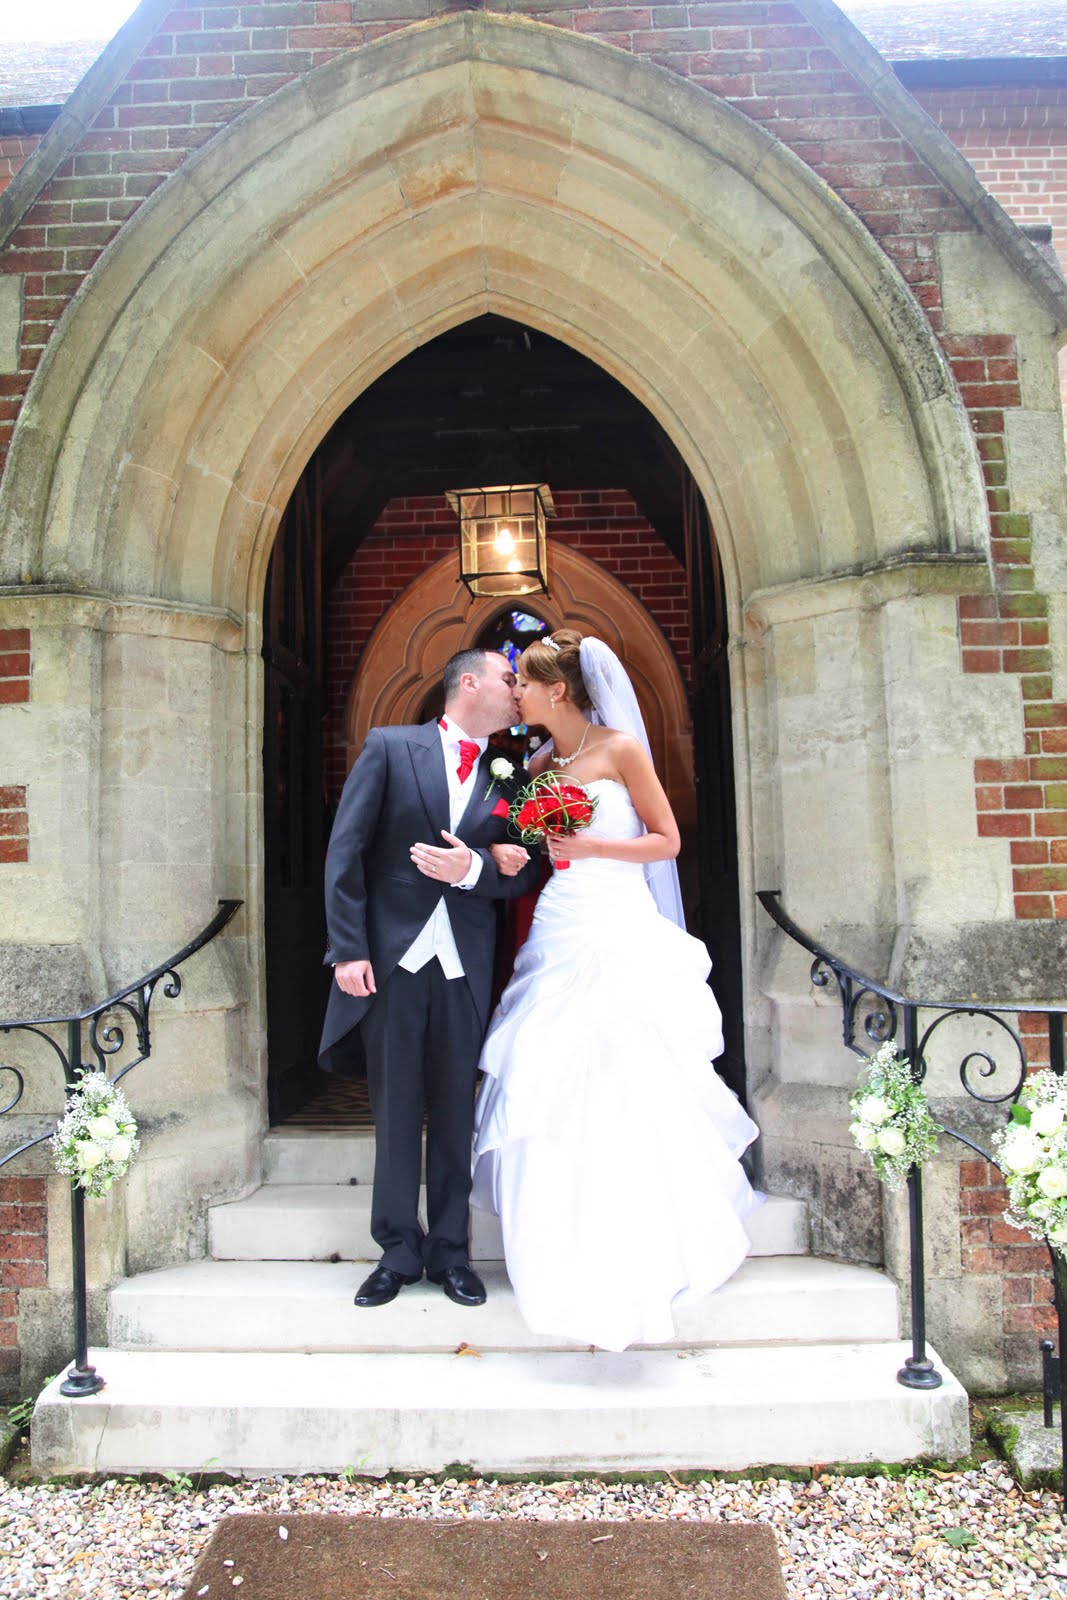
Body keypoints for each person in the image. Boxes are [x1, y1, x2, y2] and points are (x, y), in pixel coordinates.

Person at [471, 629, 763, 1351]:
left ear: (557, 690)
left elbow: (666, 840)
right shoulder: (540, 762)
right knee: (547, 1064)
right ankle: (557, 1227)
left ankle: (641, 1227)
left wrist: (594, 845)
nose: (516, 693)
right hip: (560, 924)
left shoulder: (621, 750)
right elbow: (526, 843)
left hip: (616, 919)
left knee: (626, 1062)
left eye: (524, 683)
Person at [320, 648, 540, 1310]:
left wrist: (475, 869)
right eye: (508, 679)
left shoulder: (509, 771)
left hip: (464, 962)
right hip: (392, 961)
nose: (517, 690)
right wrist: (348, 949)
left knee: (453, 1112)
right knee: (394, 1111)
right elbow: (346, 849)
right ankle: (395, 1250)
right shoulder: (390, 748)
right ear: (468, 683)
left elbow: (524, 870)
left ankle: (450, 1252)